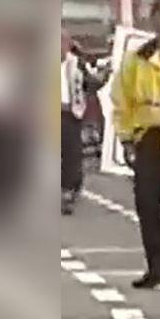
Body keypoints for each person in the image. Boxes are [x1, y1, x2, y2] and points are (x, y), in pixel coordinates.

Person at [111, 0, 160, 292]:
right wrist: (127, 137)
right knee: (146, 203)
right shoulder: (138, 58)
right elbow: (122, 99)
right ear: (152, 19)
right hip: (149, 135)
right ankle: (156, 266)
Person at [61, 31, 87, 215]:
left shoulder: (77, 63)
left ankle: (69, 191)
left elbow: (91, 82)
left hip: (70, 113)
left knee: (72, 154)